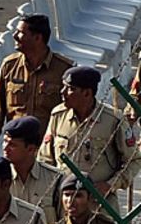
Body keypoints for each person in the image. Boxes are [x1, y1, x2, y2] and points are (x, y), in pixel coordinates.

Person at [40, 66, 141, 212]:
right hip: (65, 206)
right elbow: (45, 159)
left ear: (87, 93)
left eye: (70, 89)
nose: (63, 93)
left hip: (100, 207)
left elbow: (134, 160)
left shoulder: (112, 120)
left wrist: (110, 184)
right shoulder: (58, 116)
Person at [0, 13, 72, 161]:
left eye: (21, 33)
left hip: (48, 155)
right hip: (15, 152)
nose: (15, 36)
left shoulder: (63, 70)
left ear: (38, 38)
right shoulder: (9, 66)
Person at [2, 115, 60, 224]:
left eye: (12, 145)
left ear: (30, 149)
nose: (5, 147)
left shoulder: (55, 179)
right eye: (5, 141)